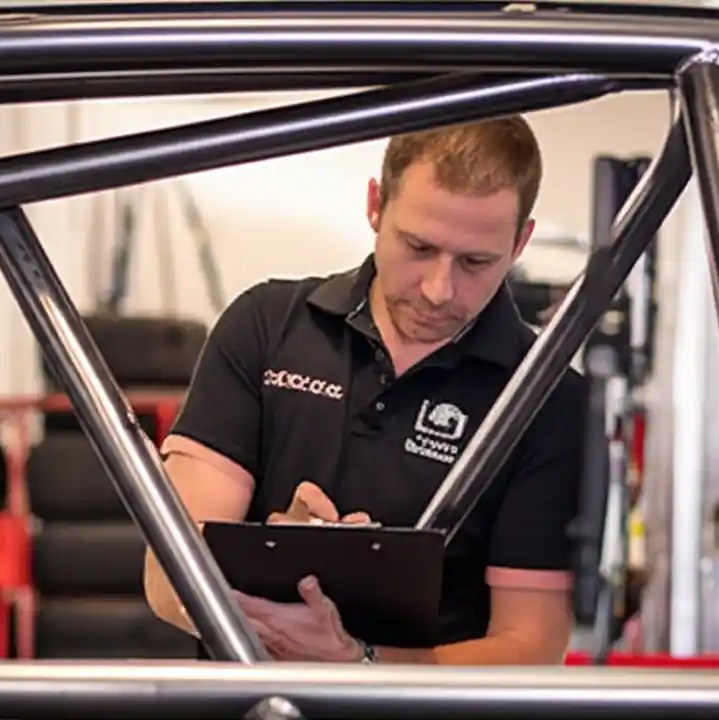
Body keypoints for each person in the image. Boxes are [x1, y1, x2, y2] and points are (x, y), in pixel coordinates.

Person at [142, 115, 585, 665]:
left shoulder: (548, 399)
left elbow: (531, 648)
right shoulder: (266, 328)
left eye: (476, 261)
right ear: (376, 204)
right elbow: (169, 577)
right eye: (419, 247)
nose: (438, 289)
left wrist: (359, 663)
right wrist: (277, 569)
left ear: (520, 242)